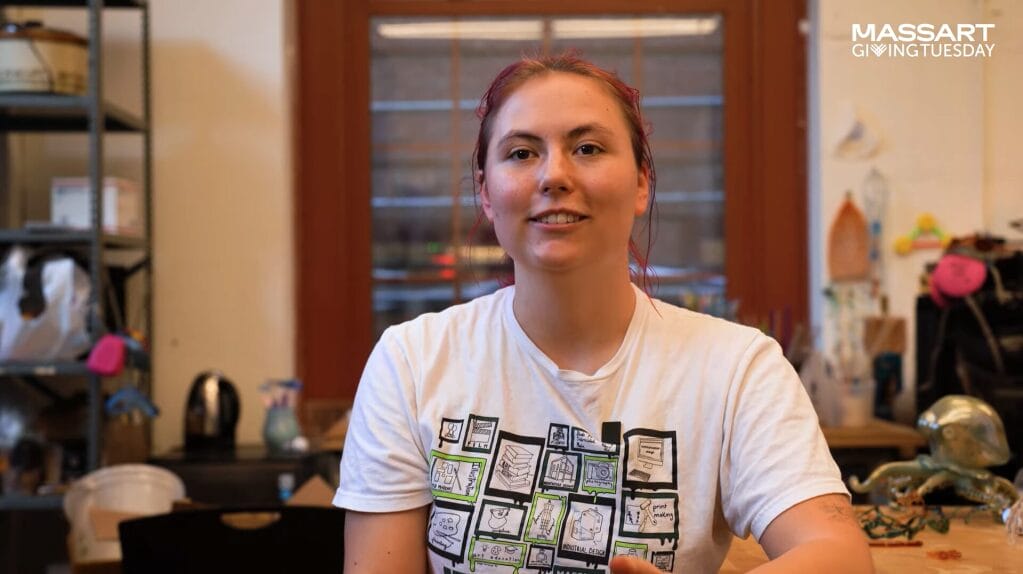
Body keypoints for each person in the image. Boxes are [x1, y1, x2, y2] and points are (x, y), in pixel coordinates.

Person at [335, 53, 874, 574]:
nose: (554, 175)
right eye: (521, 153)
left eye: (588, 147)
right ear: (486, 192)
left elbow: (839, 554)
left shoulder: (736, 367)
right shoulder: (411, 362)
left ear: (642, 182)